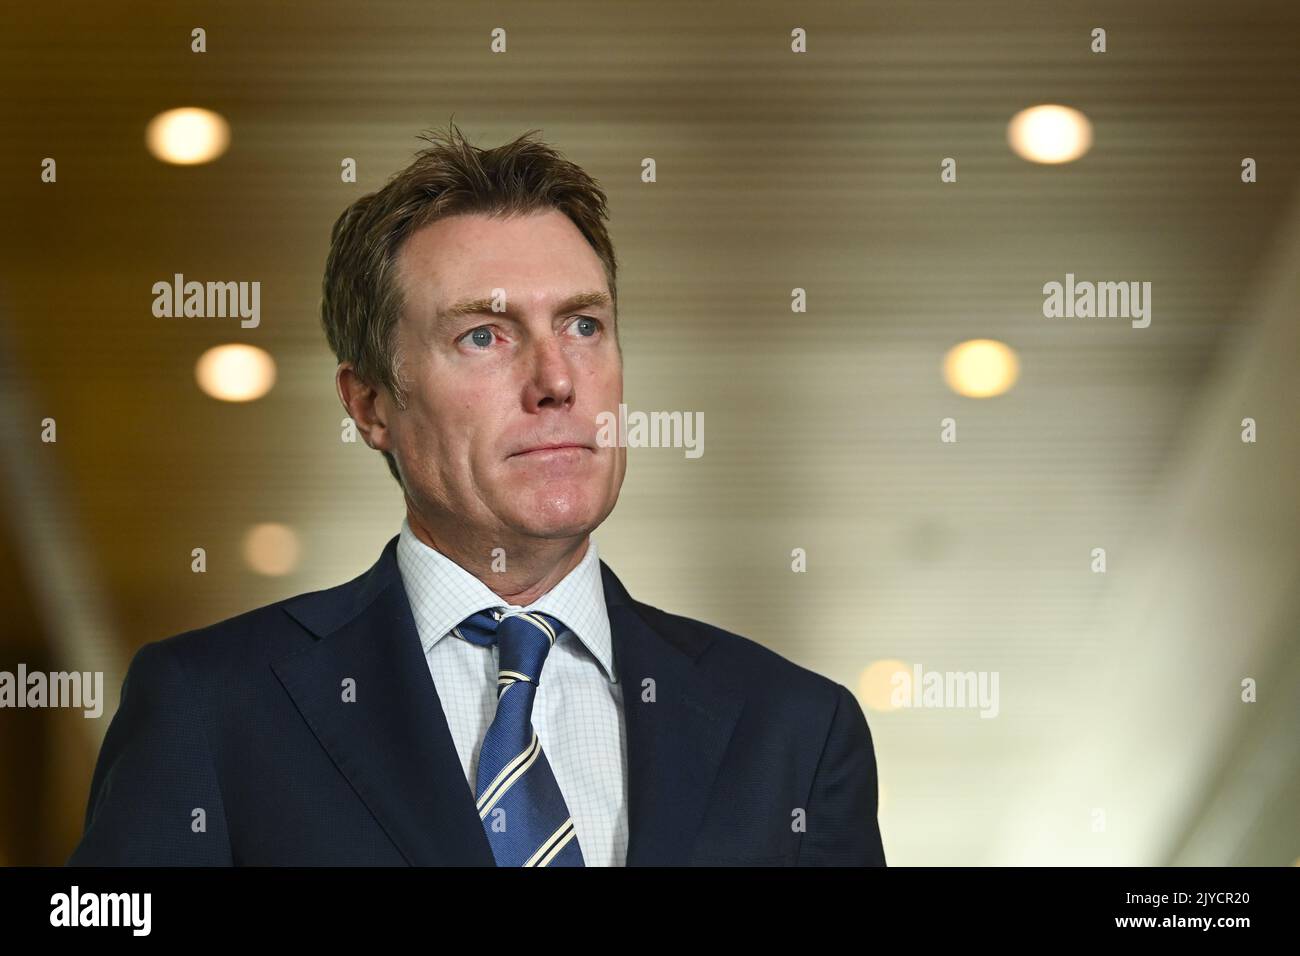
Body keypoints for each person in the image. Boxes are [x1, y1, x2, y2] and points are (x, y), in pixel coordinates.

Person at [68, 122, 886, 866]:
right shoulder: (211, 708)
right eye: (485, 335)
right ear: (372, 404)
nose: (557, 380)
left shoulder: (796, 732)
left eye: (583, 325)